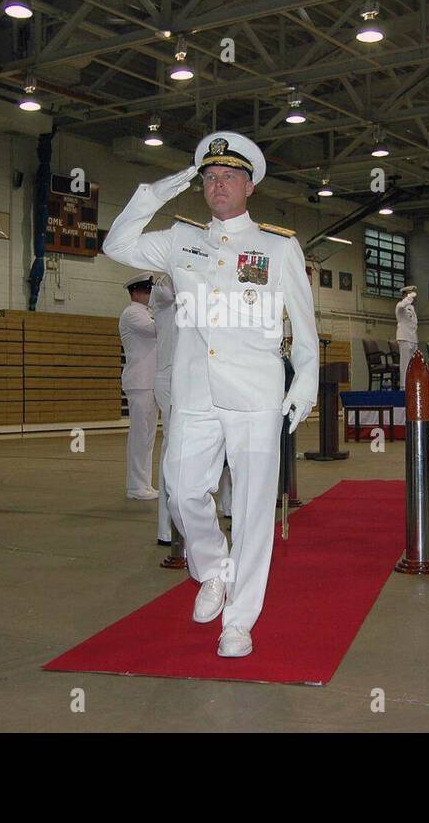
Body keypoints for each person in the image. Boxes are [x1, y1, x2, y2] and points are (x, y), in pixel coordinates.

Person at [102, 131, 319, 658]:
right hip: (196, 391)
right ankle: (215, 569)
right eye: (210, 177)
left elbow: (305, 323)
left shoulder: (277, 245)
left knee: (251, 508)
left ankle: (239, 621)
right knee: (180, 489)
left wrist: (305, 384)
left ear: (250, 185)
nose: (218, 185)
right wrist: (161, 189)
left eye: (230, 177)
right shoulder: (180, 238)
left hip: (256, 393)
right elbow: (115, 244)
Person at [118, 273, 160, 502]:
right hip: (141, 381)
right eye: (147, 291)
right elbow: (158, 330)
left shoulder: (147, 314)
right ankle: (136, 486)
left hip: (148, 381)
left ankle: (143, 483)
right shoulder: (133, 313)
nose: (151, 294)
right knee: (140, 436)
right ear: (136, 293)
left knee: (147, 436)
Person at [150, 273, 179, 545]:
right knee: (173, 447)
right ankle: (167, 529)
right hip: (170, 377)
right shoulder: (160, 287)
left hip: (194, 375)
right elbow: (170, 293)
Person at [395, 285, 418, 388]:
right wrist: (408, 298)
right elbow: (401, 306)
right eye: (409, 294)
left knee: (413, 364)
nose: (412, 297)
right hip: (404, 338)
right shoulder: (400, 306)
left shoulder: (411, 308)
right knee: (405, 364)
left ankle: (411, 385)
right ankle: (403, 387)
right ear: (404, 295)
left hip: (413, 338)